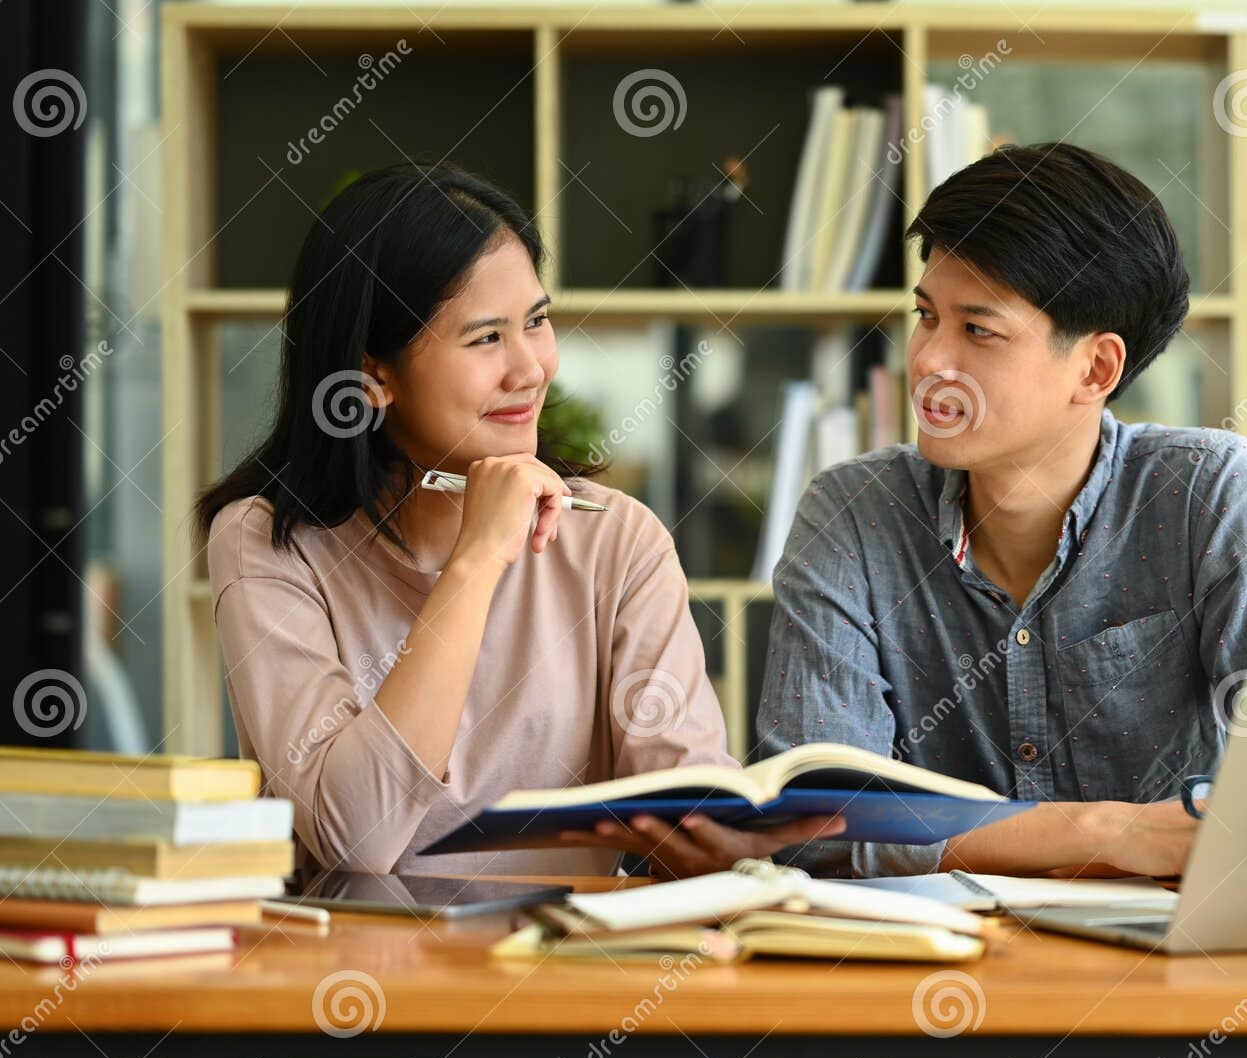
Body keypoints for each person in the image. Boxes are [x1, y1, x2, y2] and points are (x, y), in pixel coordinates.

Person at [197, 162, 842, 879]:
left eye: (535, 322)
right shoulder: (268, 544)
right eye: (484, 339)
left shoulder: (614, 540)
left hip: (564, 973)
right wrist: (476, 564)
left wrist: (722, 835)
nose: (530, 369)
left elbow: (686, 796)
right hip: (359, 981)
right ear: (372, 376)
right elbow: (357, 838)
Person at [755, 142, 1247, 879]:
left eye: (978, 330)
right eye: (925, 315)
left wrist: (941, 836)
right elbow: (813, 823)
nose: (926, 361)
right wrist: (1110, 832)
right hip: (924, 970)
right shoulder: (853, 513)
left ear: (1096, 368)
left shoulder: (1209, 493)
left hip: (1174, 971)